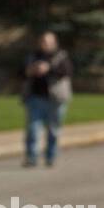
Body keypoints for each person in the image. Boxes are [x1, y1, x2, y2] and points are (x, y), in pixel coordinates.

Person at [21, 31, 72, 169]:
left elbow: (67, 72)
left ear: (54, 43)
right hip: (35, 98)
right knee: (32, 129)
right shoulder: (33, 56)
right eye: (43, 41)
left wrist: (49, 69)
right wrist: (30, 70)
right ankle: (31, 157)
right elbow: (21, 72)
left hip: (55, 99)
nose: (45, 44)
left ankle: (51, 157)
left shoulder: (61, 56)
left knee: (53, 130)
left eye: (48, 42)